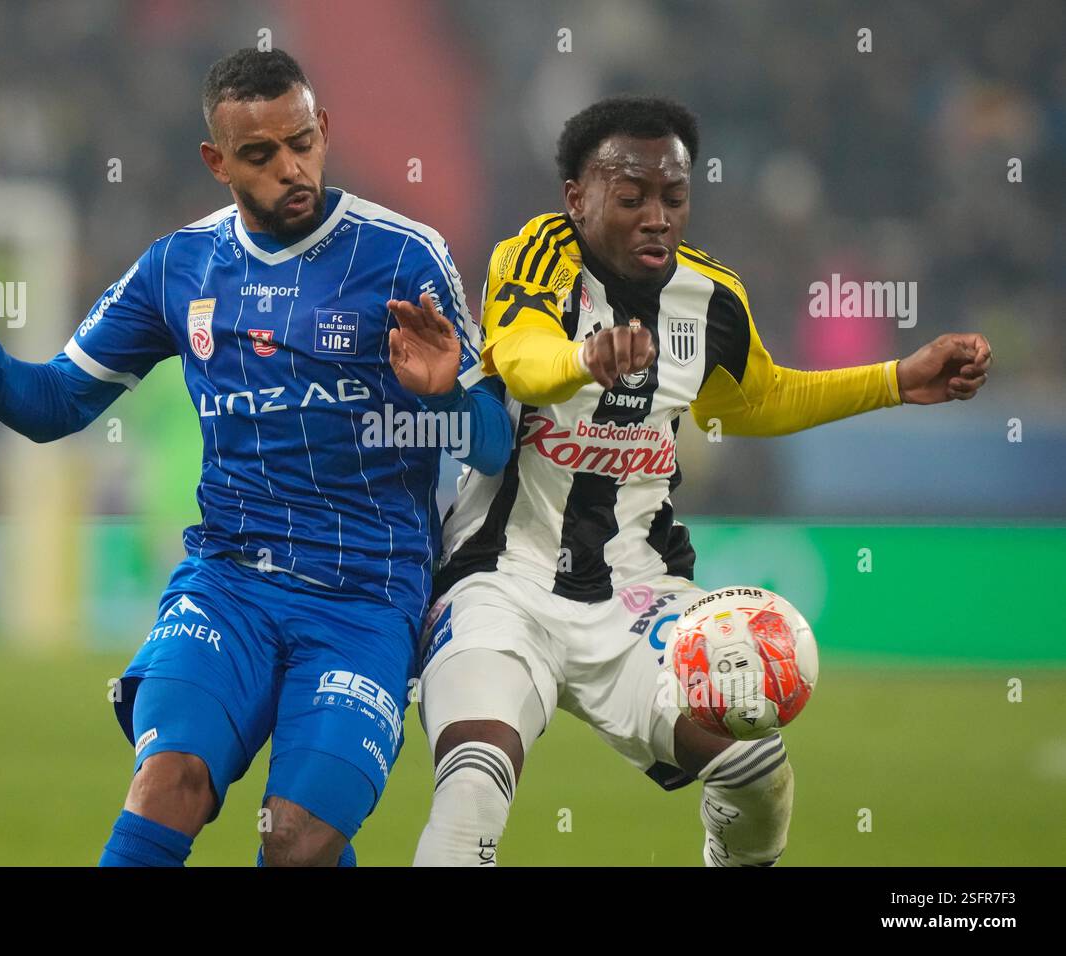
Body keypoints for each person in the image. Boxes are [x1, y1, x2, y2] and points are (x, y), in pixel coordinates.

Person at [0, 48, 513, 866]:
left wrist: (443, 398)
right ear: (218, 161)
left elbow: (495, 444)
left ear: (324, 128)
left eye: (302, 142)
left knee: (295, 843)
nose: (291, 168)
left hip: (366, 596)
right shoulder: (179, 267)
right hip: (230, 582)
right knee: (169, 779)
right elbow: (55, 405)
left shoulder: (403, 255)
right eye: (260, 154)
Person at [407, 96, 992, 866]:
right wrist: (584, 360)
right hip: (500, 582)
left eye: (674, 198)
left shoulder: (711, 297)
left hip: (636, 591)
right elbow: (519, 358)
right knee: (475, 782)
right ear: (577, 198)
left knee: (755, 770)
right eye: (633, 196)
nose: (658, 216)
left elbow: (757, 398)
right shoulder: (535, 257)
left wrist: (894, 378)